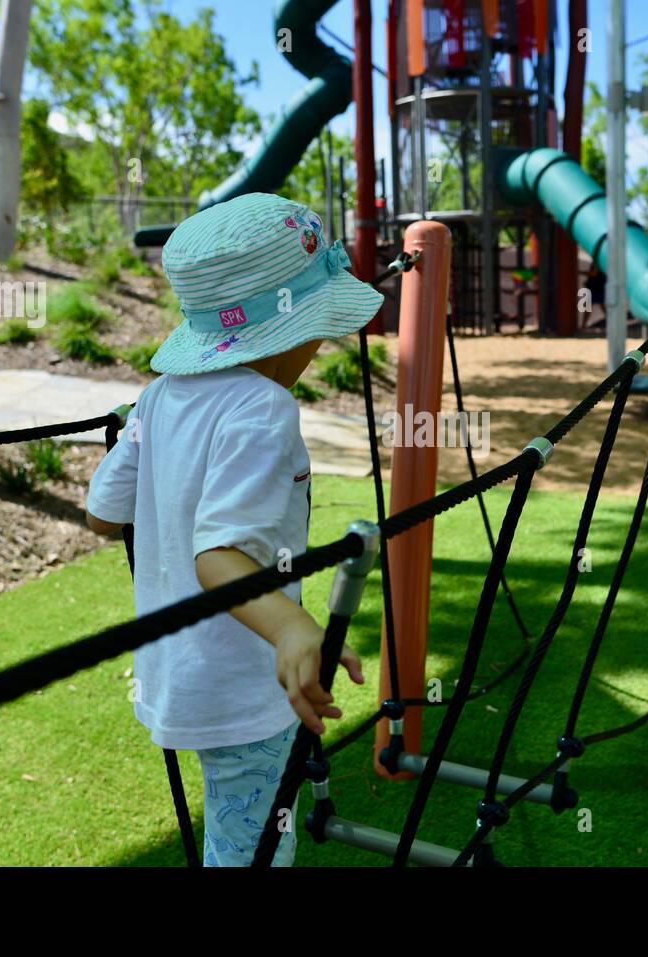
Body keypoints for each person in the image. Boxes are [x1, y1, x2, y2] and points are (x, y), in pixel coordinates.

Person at [83, 193, 383, 867]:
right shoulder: (263, 406)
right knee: (253, 851)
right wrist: (292, 627)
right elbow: (216, 556)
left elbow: (104, 510)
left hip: (176, 670)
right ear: (297, 329)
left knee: (237, 827)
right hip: (245, 681)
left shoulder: (159, 396)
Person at [583, 260, 607, 331]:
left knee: (588, 308)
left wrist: (579, 272)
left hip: (597, 289)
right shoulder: (599, 261)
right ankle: (583, 326)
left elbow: (594, 273)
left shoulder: (599, 261)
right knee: (588, 308)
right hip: (596, 289)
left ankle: (583, 326)